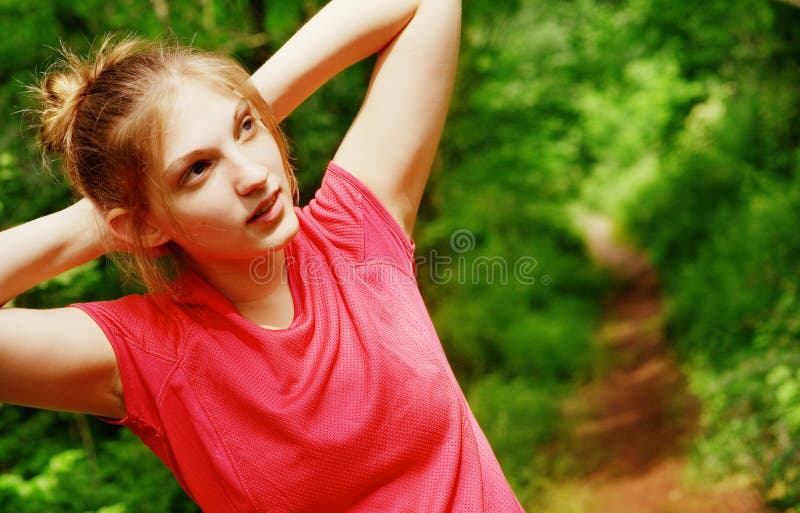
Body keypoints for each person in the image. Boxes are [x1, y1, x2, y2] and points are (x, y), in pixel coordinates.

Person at [0, 0, 525, 511]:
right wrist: (105, 220)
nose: (253, 175)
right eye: (197, 170)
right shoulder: (151, 354)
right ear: (142, 223)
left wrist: (221, 98)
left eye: (246, 128)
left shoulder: (355, 234)